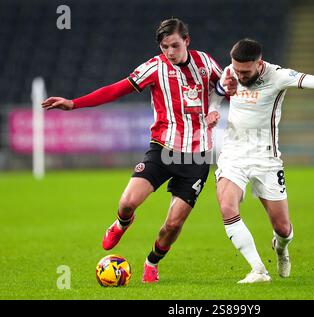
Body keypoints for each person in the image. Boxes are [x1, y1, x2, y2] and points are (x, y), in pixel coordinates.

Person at [42, 18, 224, 283]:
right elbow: (117, 89)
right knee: (127, 202)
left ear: (187, 41)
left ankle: (152, 262)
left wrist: (216, 107)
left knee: (173, 225)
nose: (170, 52)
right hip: (162, 149)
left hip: (197, 156)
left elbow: (228, 87)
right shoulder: (154, 67)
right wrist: (74, 103)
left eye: (174, 45)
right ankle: (121, 224)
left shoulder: (206, 63)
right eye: (164, 47)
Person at [206, 38, 314, 283]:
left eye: (244, 71)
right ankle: (258, 270)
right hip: (233, 155)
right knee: (227, 205)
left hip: (266, 159)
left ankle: (281, 249)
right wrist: (213, 108)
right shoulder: (231, 72)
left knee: (283, 228)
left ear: (259, 64)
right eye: (236, 69)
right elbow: (216, 94)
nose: (239, 75)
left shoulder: (278, 76)